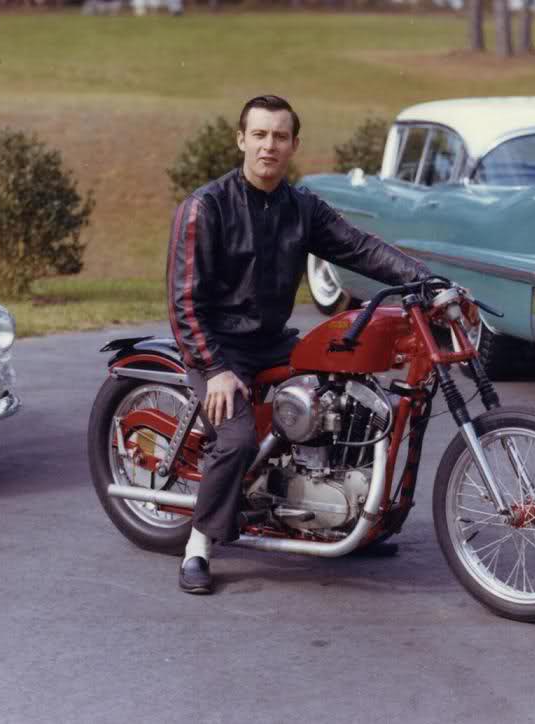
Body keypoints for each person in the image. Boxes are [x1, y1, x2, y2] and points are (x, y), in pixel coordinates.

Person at [167, 95, 430, 594]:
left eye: (280, 136)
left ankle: (349, 516)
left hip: (273, 340)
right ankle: (198, 545)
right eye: (260, 135)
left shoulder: (299, 206)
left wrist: (425, 279)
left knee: (349, 401)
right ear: (241, 139)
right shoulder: (207, 207)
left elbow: (359, 246)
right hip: (219, 348)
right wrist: (215, 367)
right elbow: (183, 303)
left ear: (293, 145)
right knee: (238, 439)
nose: (270, 145)